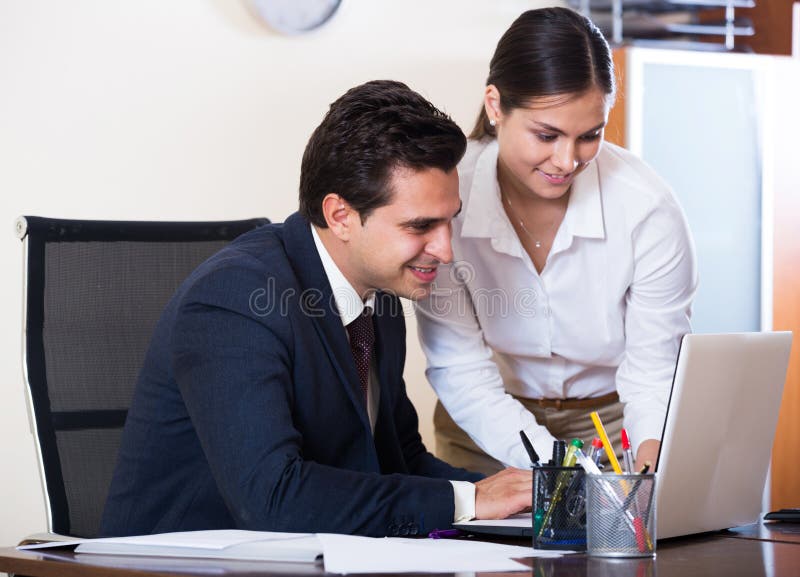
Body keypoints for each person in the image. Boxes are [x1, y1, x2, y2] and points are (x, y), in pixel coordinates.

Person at [100, 80, 531, 538]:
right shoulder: (233, 299)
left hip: (303, 557)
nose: (445, 250)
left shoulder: (379, 296)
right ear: (340, 216)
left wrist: (514, 501)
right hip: (179, 561)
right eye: (420, 226)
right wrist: (468, 501)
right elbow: (273, 500)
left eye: (449, 221)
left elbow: (398, 459)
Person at [415, 7, 698, 476]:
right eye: (547, 135)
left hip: (613, 426)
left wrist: (649, 465)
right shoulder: (448, 199)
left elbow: (653, 370)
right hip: (486, 424)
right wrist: (559, 465)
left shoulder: (647, 209)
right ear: (495, 106)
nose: (567, 161)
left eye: (589, 136)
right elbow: (460, 367)